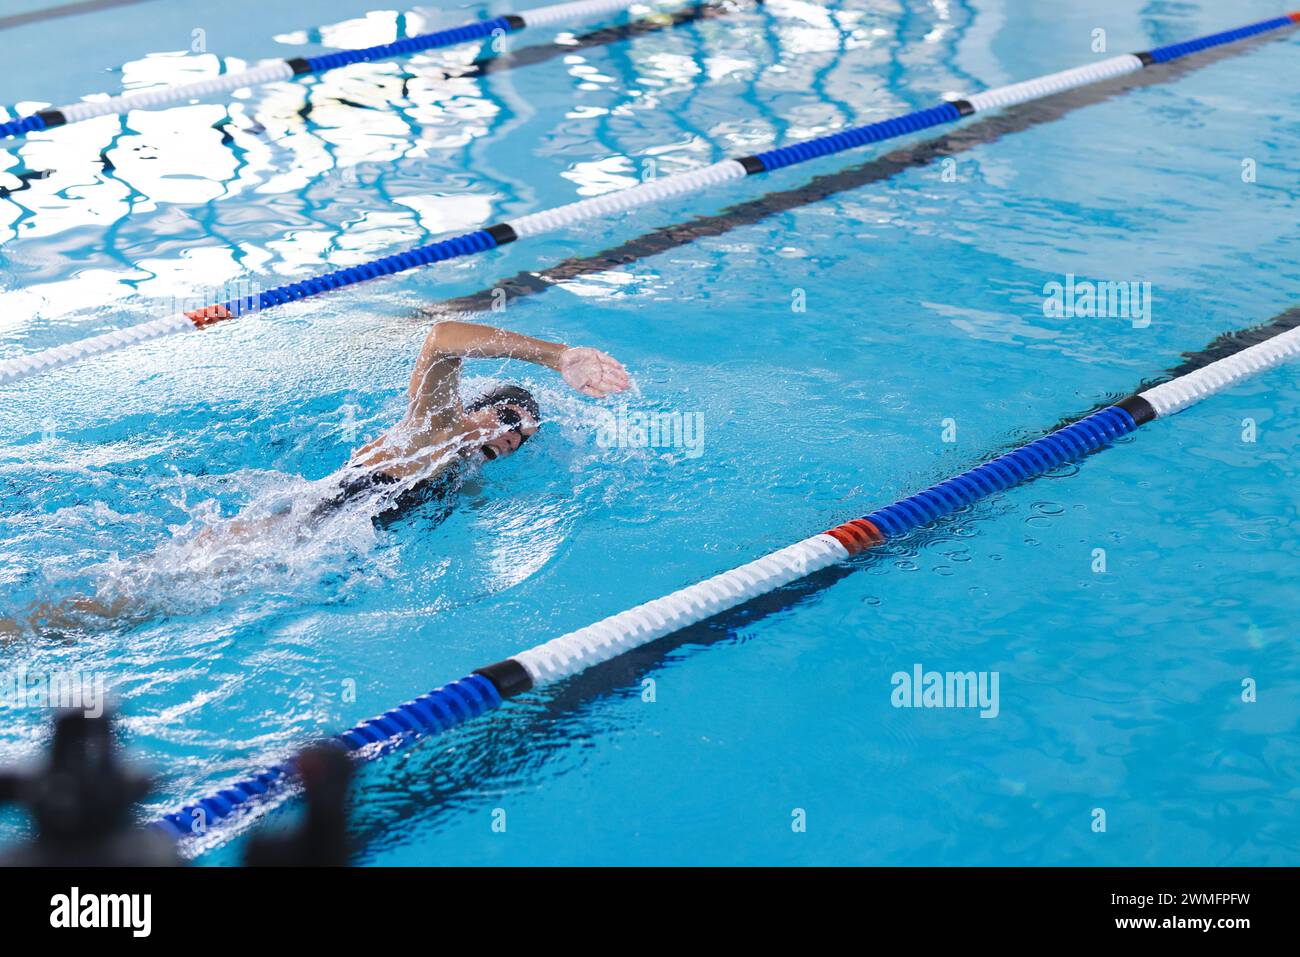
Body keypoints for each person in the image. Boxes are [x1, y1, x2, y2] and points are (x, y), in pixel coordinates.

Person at [1, 316, 630, 638]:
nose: (503, 435)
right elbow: (442, 338)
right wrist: (555, 356)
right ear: (473, 407)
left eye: (515, 439)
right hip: (271, 541)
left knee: (114, 615)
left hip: (288, 555)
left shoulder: (460, 476)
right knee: (95, 615)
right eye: (502, 418)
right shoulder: (432, 428)